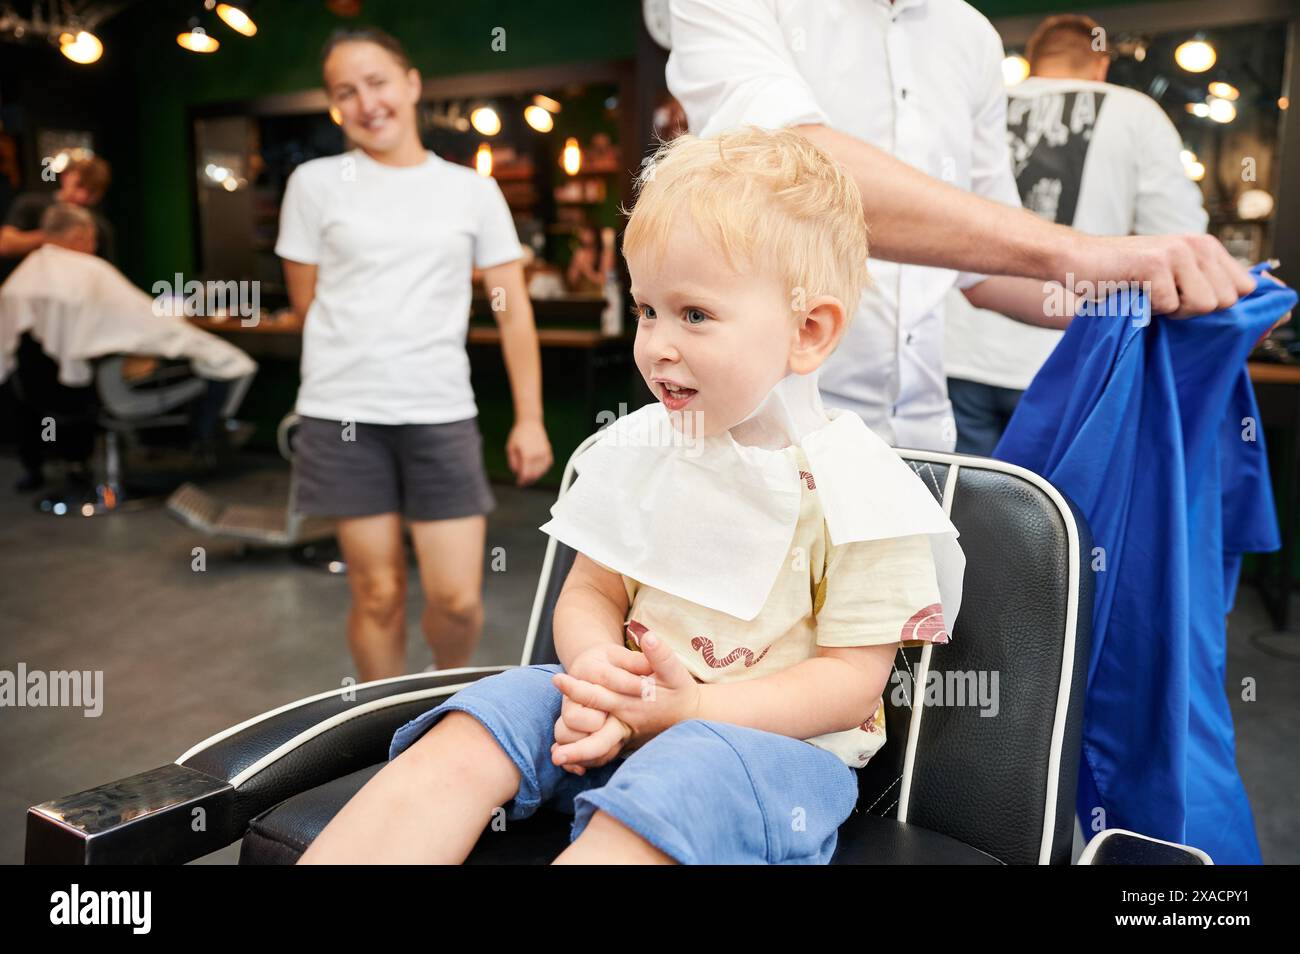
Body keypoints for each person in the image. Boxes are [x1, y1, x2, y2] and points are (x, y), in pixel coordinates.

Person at [300, 126, 963, 864]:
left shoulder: (861, 492)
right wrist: (593, 672)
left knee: (683, 778)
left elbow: (847, 683)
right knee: (487, 717)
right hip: (619, 711)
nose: (656, 344)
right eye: (647, 309)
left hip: (761, 749)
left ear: (808, 331)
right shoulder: (643, 449)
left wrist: (692, 710)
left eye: (695, 314)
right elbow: (591, 595)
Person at [664, 0, 1254, 451]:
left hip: (923, 443)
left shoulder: (970, 36)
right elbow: (790, 171)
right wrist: (1076, 252)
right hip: (766, 436)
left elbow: (984, 269)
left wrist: (1133, 296)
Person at [275, 28, 553, 681]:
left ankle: (438, 702)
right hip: (344, 412)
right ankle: (384, 732)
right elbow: (309, 305)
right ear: (334, 105)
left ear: (412, 84)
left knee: (457, 601)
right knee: (377, 593)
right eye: (346, 91)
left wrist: (530, 416)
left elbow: (512, 310)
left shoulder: (470, 191)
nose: (366, 102)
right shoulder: (314, 184)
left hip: (439, 410)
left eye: (377, 83)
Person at [945, 14, 1211, 455]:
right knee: (1057, 517)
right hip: (1072, 356)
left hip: (954, 352)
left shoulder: (981, 107)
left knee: (954, 512)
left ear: (1032, 61)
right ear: (1100, 64)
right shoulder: (1135, 112)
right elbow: (1179, 240)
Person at [0, 204, 256, 491]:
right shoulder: (91, 272)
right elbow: (148, 324)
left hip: (35, 394)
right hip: (100, 393)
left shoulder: (19, 280)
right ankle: (204, 446)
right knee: (224, 360)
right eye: (92, 238)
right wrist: (187, 333)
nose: (94, 246)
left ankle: (63, 467)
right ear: (77, 234)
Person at [0, 155, 115, 267]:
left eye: (92, 192)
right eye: (79, 185)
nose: (82, 196)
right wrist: (55, 237)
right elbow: (4, 245)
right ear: (65, 176)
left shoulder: (100, 228)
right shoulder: (30, 205)